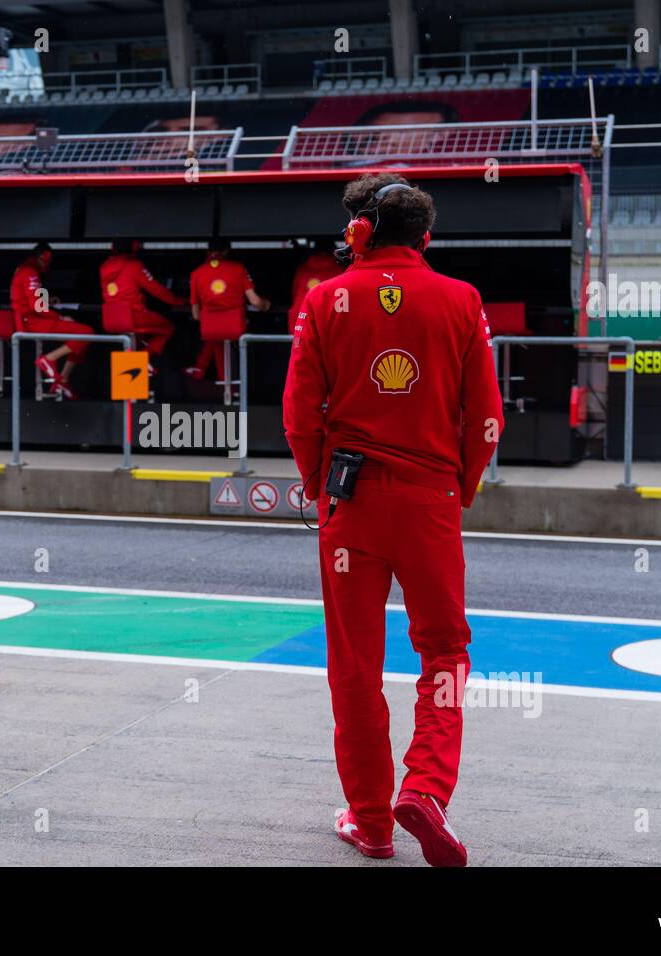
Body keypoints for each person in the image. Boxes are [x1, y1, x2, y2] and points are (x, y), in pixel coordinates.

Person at [283, 173, 504, 867]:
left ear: (358, 232)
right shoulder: (462, 300)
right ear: (426, 236)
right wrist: (455, 488)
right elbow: (488, 421)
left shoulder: (325, 299)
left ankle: (373, 822)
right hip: (431, 500)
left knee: (355, 667)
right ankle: (428, 790)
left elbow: (297, 415)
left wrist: (322, 488)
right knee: (443, 652)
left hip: (350, 503)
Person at [10, 242, 93, 399]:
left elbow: (31, 300)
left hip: (29, 320)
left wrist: (48, 301)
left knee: (81, 336)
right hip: (32, 322)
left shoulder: (26, 269)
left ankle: (62, 380)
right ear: (43, 258)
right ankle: (48, 359)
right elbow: (37, 306)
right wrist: (61, 317)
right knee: (86, 332)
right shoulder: (30, 272)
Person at [186, 239, 270, 383]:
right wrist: (267, 305)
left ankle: (221, 383)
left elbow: (195, 314)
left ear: (207, 252)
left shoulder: (196, 273)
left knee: (216, 337)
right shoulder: (238, 269)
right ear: (226, 252)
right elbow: (255, 301)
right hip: (236, 327)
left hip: (210, 329)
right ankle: (236, 386)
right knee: (223, 335)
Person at [99, 240, 185, 366]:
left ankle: (136, 366)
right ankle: (141, 361)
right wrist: (179, 301)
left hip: (111, 318)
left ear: (112, 248)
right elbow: (156, 289)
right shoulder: (134, 265)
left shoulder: (104, 266)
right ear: (134, 248)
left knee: (138, 340)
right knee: (168, 327)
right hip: (133, 316)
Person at [288, 239, 345, 331]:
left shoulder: (302, 268)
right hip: (327, 318)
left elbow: (294, 294)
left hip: (300, 316)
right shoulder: (339, 269)